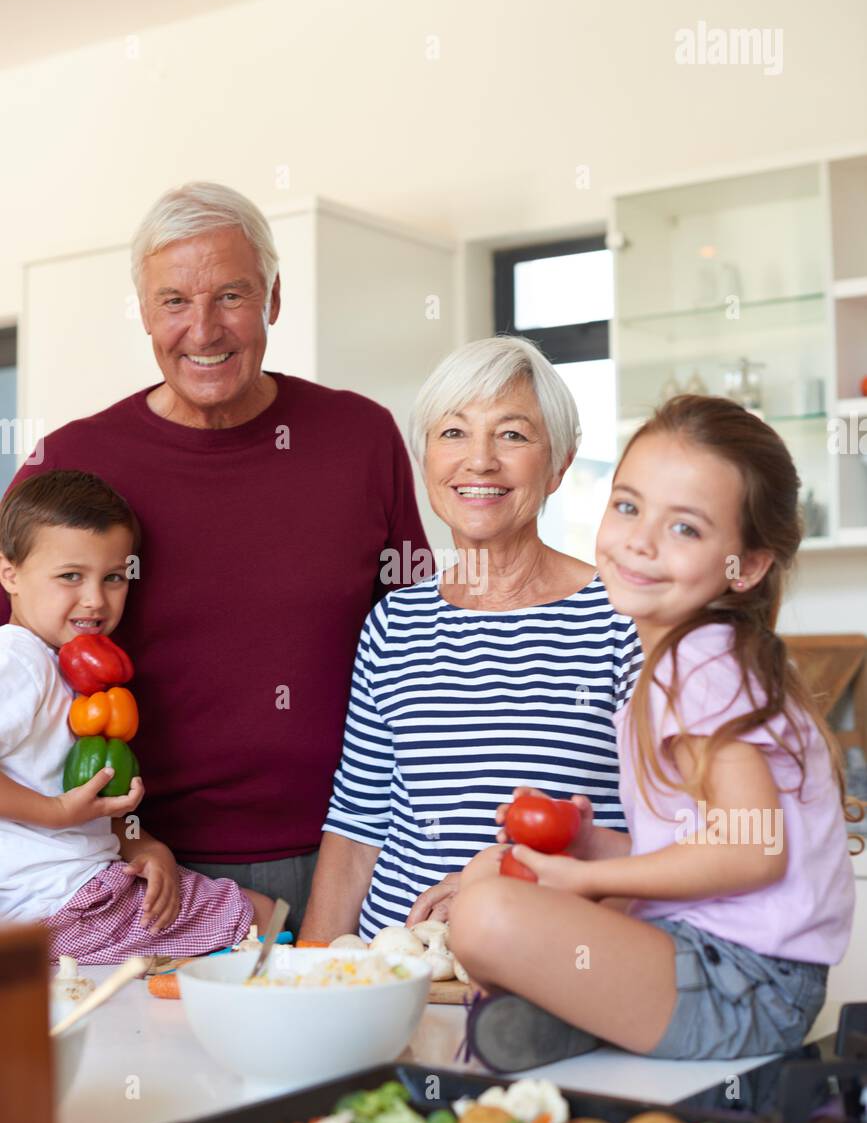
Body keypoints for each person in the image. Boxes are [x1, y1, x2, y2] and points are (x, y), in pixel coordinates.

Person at [0, 182, 428, 936]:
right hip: (137, 874)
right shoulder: (69, 461)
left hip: (351, 853)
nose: (202, 330)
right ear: (143, 313)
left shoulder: (359, 436)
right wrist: (122, 836)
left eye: (230, 295)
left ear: (273, 299)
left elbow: (419, 646)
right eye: (172, 302)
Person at [450, 394, 857, 1069]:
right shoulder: (686, 656)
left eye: (686, 529)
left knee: (486, 911)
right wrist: (591, 847)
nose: (638, 541)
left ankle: (582, 1013)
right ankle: (577, 1021)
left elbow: (752, 852)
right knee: (492, 875)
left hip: (745, 984)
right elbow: (694, 846)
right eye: (628, 506)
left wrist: (583, 883)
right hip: (722, 965)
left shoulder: (701, 662)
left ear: (747, 565)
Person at [299, 336, 641, 943]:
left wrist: (504, 878)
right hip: (396, 969)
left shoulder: (624, 618)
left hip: (557, 969)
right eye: (453, 433)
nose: (479, 461)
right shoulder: (394, 624)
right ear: (425, 459)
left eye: (513, 435)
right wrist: (315, 977)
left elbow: (675, 841)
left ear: (560, 463)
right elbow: (356, 832)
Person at [0, 470, 272, 963]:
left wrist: (145, 846)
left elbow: (94, 811)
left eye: (113, 578)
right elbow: (65, 812)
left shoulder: (73, 668)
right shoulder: (17, 658)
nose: (94, 600)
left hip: (82, 891)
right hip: (58, 906)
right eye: (70, 576)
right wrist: (57, 813)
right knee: (263, 918)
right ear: (9, 573)